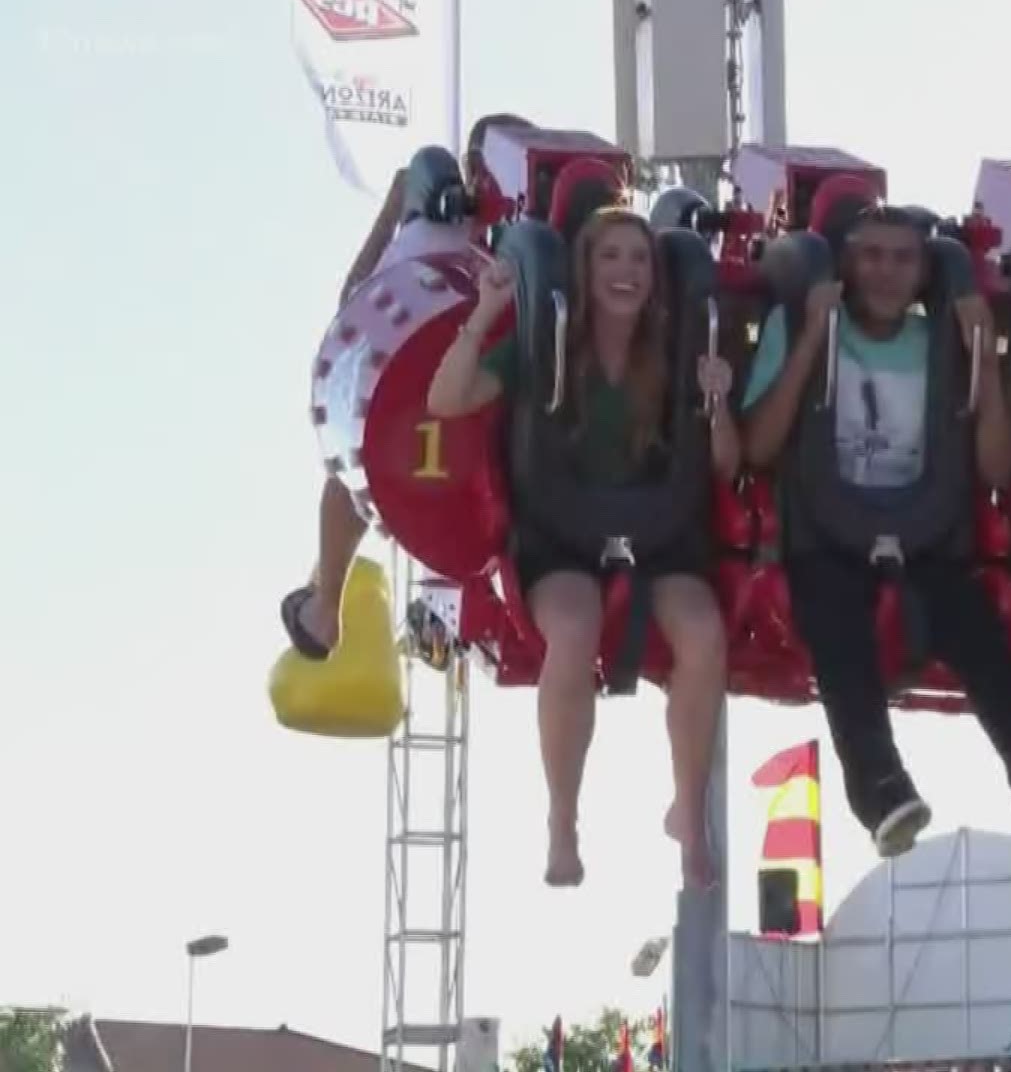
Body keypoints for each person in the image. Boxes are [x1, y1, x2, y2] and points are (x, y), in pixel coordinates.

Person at [739, 205, 1011, 858]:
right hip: (827, 533)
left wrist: (985, 366)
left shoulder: (944, 343)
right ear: (844, 265)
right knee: (837, 626)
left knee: (976, 629)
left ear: (924, 271)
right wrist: (811, 338)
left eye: (903, 258)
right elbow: (759, 447)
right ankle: (881, 791)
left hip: (923, 532)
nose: (885, 271)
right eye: (871, 255)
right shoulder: (796, 324)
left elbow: (996, 466)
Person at [425, 208, 738, 889]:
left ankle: (688, 814)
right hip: (561, 536)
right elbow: (447, 399)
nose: (626, 272)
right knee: (573, 630)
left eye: (639, 260)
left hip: (655, 535)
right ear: (585, 270)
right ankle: (562, 818)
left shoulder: (673, 355)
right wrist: (486, 316)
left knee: (704, 634)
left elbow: (721, 465)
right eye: (611, 258)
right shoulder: (548, 345)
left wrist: (719, 405)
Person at [280, 112, 531, 661]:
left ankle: (327, 604)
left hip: (424, 354)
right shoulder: (502, 238)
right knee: (360, 470)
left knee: (354, 472)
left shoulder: (446, 223)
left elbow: (354, 297)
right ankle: (329, 604)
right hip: (446, 355)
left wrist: (394, 206)